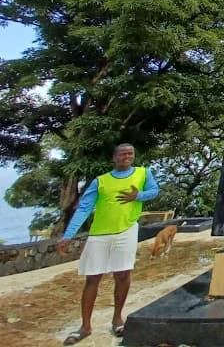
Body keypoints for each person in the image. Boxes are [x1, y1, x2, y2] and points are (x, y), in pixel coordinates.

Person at [56, 143, 159, 345]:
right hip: (99, 234)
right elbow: (84, 209)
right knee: (92, 279)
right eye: (122, 154)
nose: (127, 156)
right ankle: (85, 326)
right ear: (114, 157)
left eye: (130, 153)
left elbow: (155, 191)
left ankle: (117, 319)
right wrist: (68, 235)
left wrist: (138, 196)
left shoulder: (143, 173)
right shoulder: (100, 181)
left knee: (123, 275)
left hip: (127, 230)